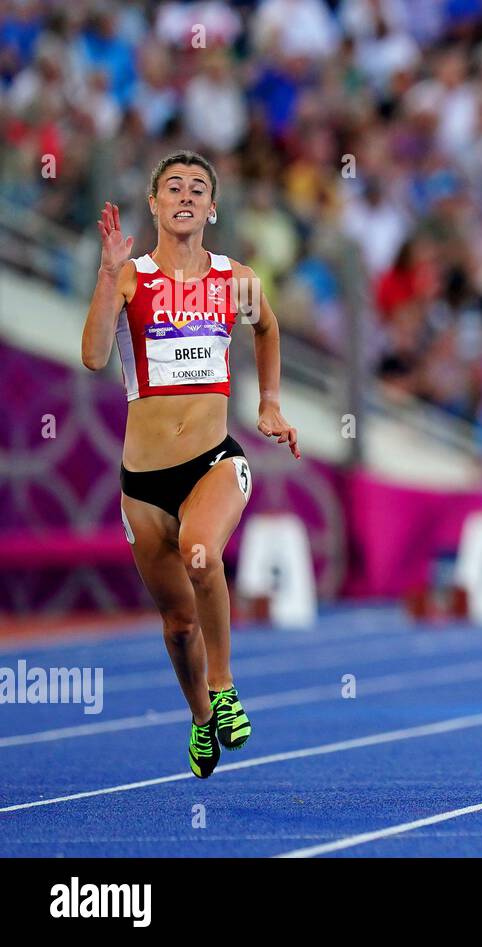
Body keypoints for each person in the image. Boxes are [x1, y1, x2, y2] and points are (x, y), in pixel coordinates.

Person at [81, 150, 300, 778]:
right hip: (143, 484)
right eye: (172, 186)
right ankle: (202, 716)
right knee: (178, 626)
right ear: (153, 204)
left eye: (197, 188)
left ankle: (225, 687)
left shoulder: (237, 279)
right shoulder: (131, 277)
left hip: (214, 461)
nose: (184, 195)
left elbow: (267, 329)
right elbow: (95, 357)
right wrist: (105, 274)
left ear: (212, 207)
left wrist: (269, 404)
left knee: (203, 553)